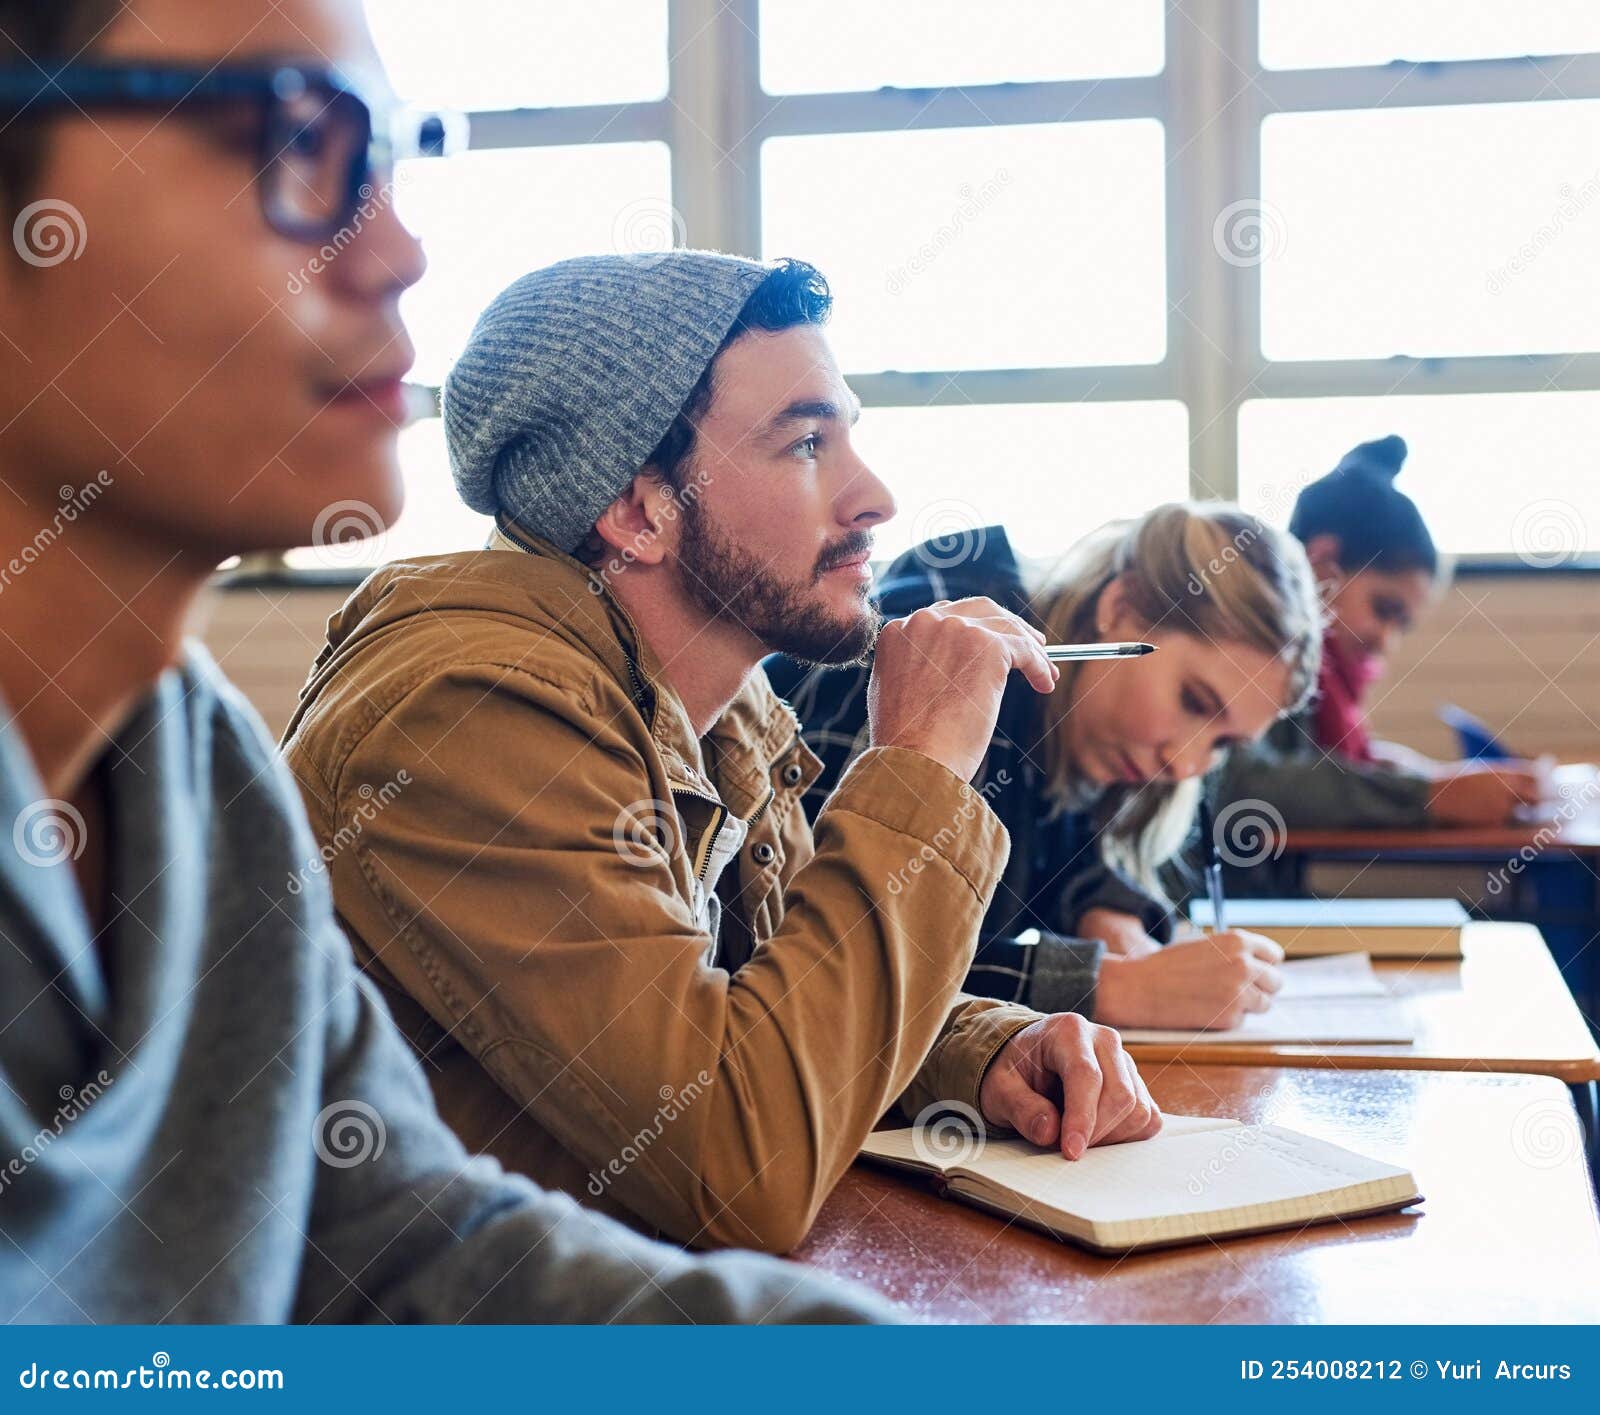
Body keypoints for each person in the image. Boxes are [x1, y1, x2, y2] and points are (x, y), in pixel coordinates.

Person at [0, 0, 887, 1324]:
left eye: (397, 158)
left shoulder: (202, 770)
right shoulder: (469, 693)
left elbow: (410, 1247)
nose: (402, 249)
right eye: (297, 138)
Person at [279, 251, 1162, 1256]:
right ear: (638, 508)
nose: (873, 497)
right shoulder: (469, 717)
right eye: (802, 444)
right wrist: (917, 767)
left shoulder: (716, 701)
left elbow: (767, 1006)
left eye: (849, 438)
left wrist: (984, 1047)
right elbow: (740, 1162)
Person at [767, 504, 1323, 1032]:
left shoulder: (1073, 730)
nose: (1186, 765)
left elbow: (1045, 842)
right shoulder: (950, 651)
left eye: (1224, 743)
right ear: (1120, 608)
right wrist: (1115, 987)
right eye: (1196, 702)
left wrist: (1103, 910)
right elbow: (838, 960)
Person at [1218, 434, 1543, 830]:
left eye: (1401, 623)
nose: (1386, 640)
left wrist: (1396, 772)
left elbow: (1300, 767)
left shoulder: (1319, 675)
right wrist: (1426, 795)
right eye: (1384, 608)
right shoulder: (1247, 638)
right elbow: (1244, 787)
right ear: (1321, 562)